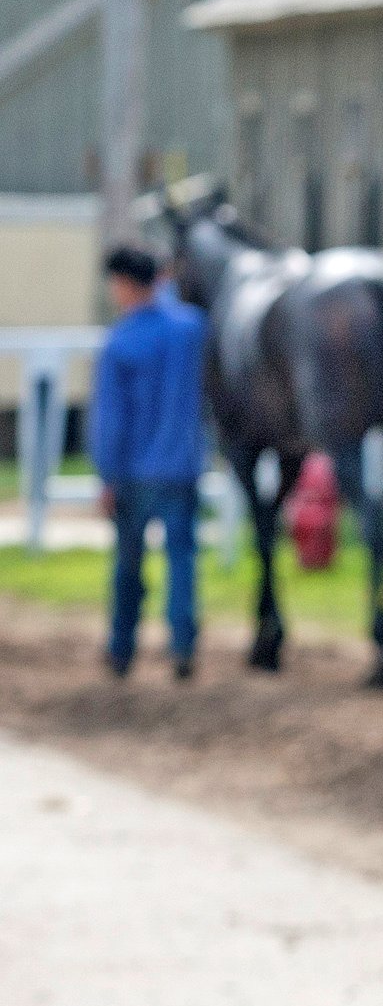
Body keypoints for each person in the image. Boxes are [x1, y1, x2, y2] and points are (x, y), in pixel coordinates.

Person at [89, 243, 208, 681]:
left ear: (123, 283)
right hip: (182, 466)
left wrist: (105, 476)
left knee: (128, 563)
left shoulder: (121, 340)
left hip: (134, 471)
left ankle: (122, 648)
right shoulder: (191, 327)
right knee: (182, 558)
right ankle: (182, 644)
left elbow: (110, 419)